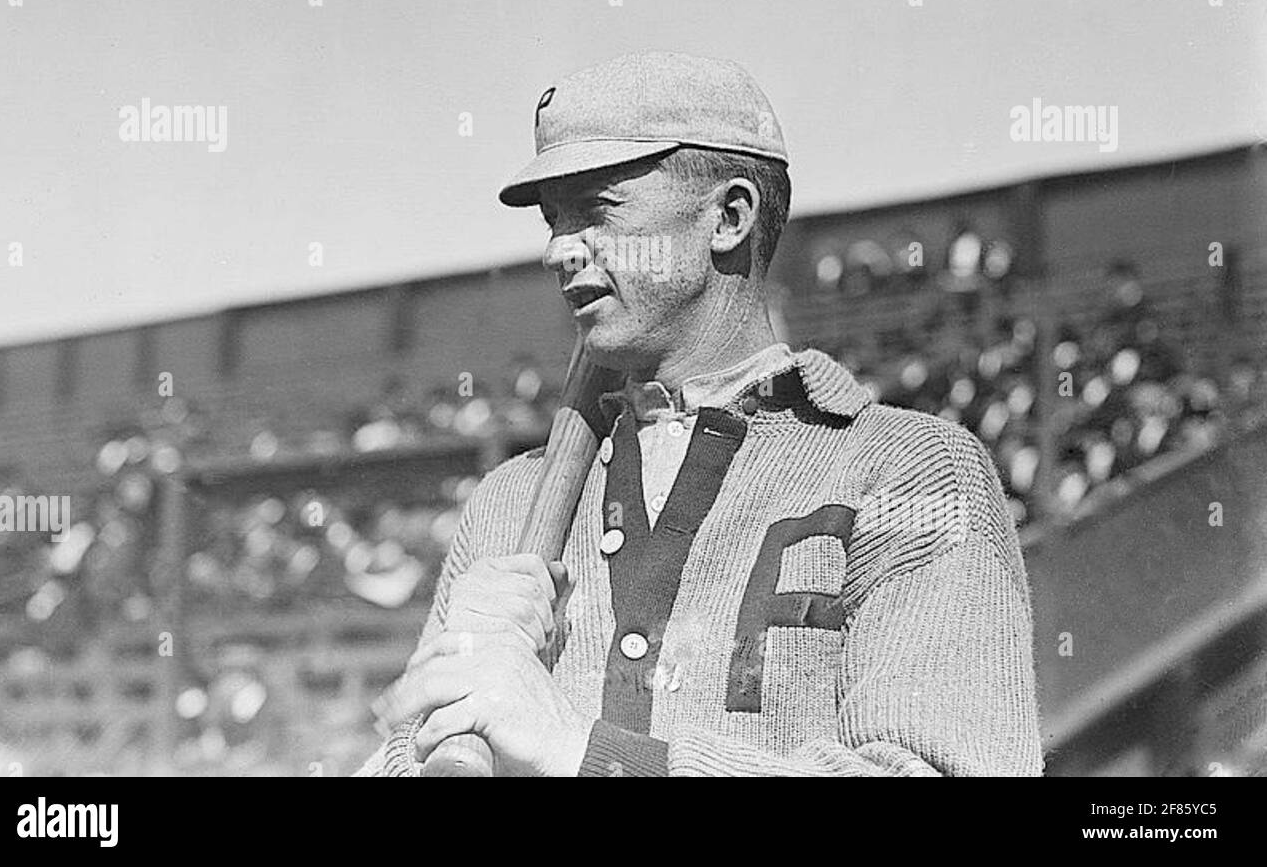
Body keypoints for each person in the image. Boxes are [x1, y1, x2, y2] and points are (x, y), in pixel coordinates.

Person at [357, 50, 1042, 776]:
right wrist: (440, 722)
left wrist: (581, 752)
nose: (560, 250)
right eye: (554, 222)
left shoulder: (910, 470)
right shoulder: (506, 505)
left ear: (728, 216)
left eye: (597, 212)